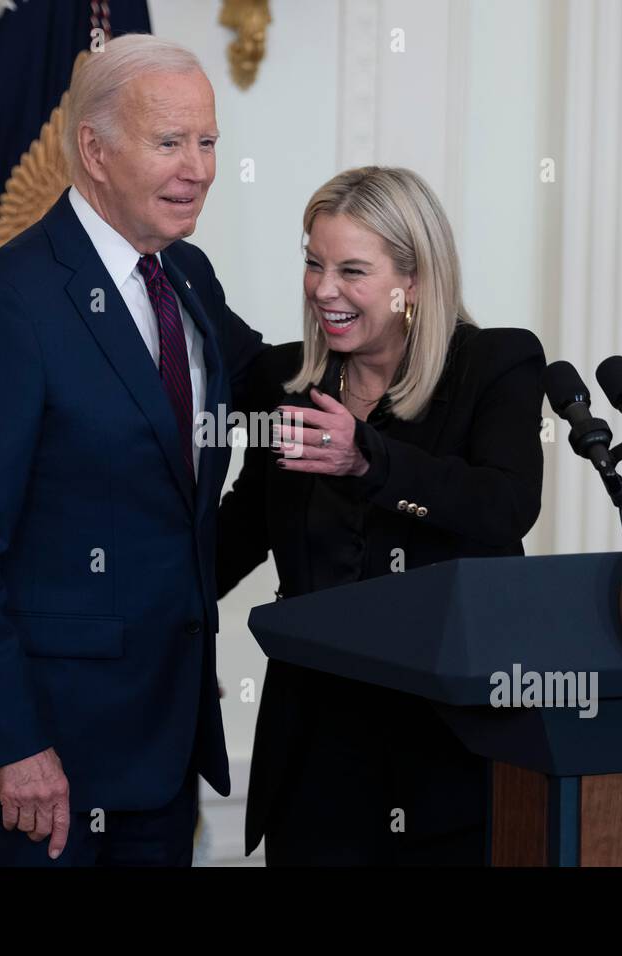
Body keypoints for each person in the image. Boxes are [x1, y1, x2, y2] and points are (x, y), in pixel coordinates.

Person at [0, 35, 266, 867]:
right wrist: (14, 744)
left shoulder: (187, 275)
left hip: (162, 749)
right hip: (35, 760)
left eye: (207, 142)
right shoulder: (7, 304)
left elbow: (269, 382)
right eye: (170, 142)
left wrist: (419, 355)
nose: (198, 167)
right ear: (94, 150)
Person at [216, 166, 545, 865]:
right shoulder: (285, 384)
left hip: (451, 756)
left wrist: (369, 461)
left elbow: (504, 507)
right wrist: (120, 602)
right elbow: (241, 530)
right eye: (314, 263)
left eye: (351, 271)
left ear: (414, 281)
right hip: (315, 758)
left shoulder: (494, 364)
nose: (323, 289)